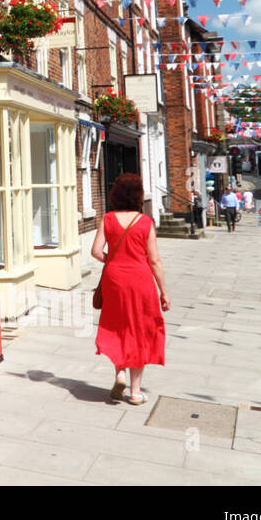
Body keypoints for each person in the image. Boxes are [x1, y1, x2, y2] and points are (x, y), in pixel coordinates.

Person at [91, 173, 170, 406]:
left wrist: (113, 262)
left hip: (115, 280)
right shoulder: (145, 222)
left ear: (116, 194)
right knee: (140, 330)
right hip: (140, 280)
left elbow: (95, 252)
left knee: (117, 326)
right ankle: (135, 392)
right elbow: (154, 260)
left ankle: (119, 374)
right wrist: (164, 292)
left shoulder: (107, 219)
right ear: (138, 196)